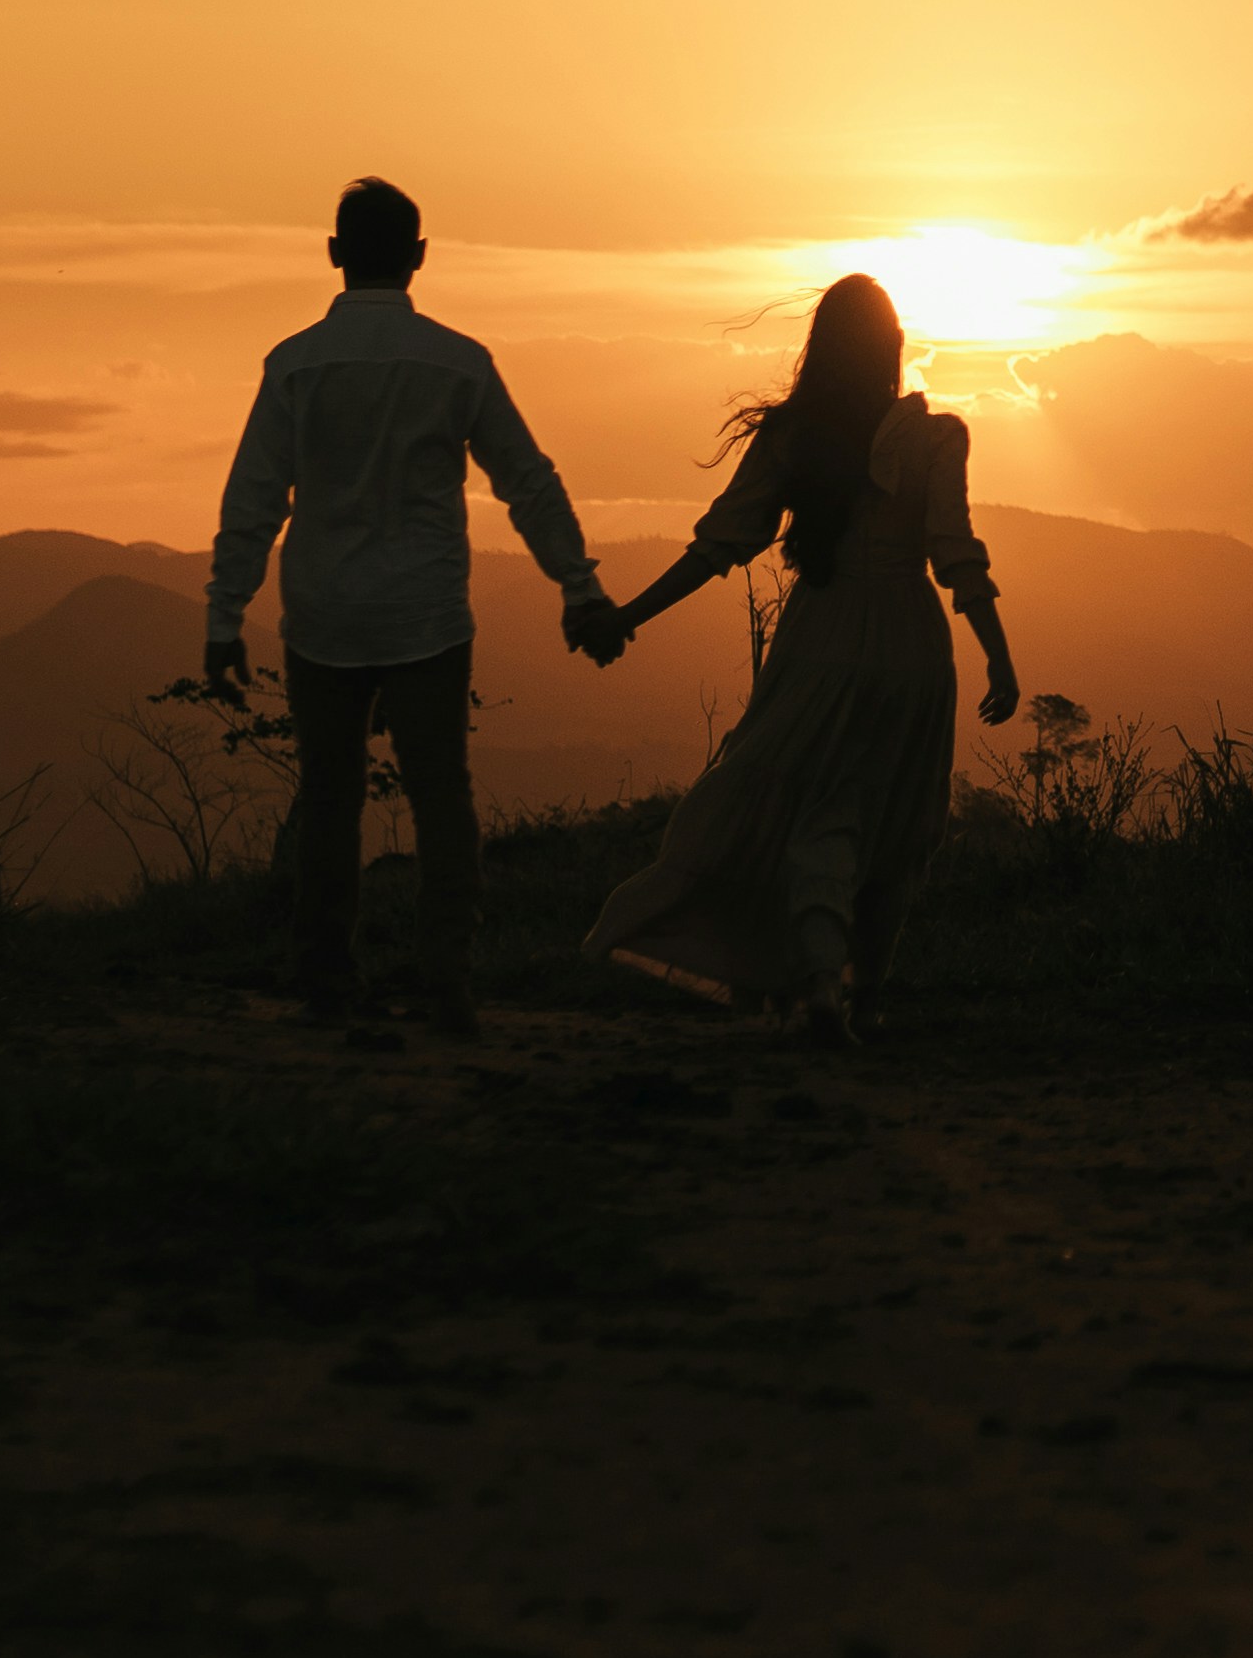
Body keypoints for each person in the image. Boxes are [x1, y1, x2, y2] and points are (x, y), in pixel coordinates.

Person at [201, 176, 617, 1033]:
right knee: (441, 796)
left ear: (335, 253)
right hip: (426, 611)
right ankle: (446, 982)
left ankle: (324, 977)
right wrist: (577, 585)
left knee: (329, 799)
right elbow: (527, 483)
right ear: (419, 257)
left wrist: (224, 615)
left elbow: (254, 497)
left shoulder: (294, 365)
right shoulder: (458, 364)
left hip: (322, 613)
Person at [569, 271, 1014, 1047]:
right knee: (897, 823)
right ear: (893, 345)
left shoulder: (793, 436)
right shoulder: (936, 437)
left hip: (822, 638)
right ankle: (860, 996)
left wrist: (626, 618)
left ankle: (815, 984)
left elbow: (719, 546)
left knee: (819, 811)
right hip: (911, 644)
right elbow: (956, 555)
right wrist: (998, 659)